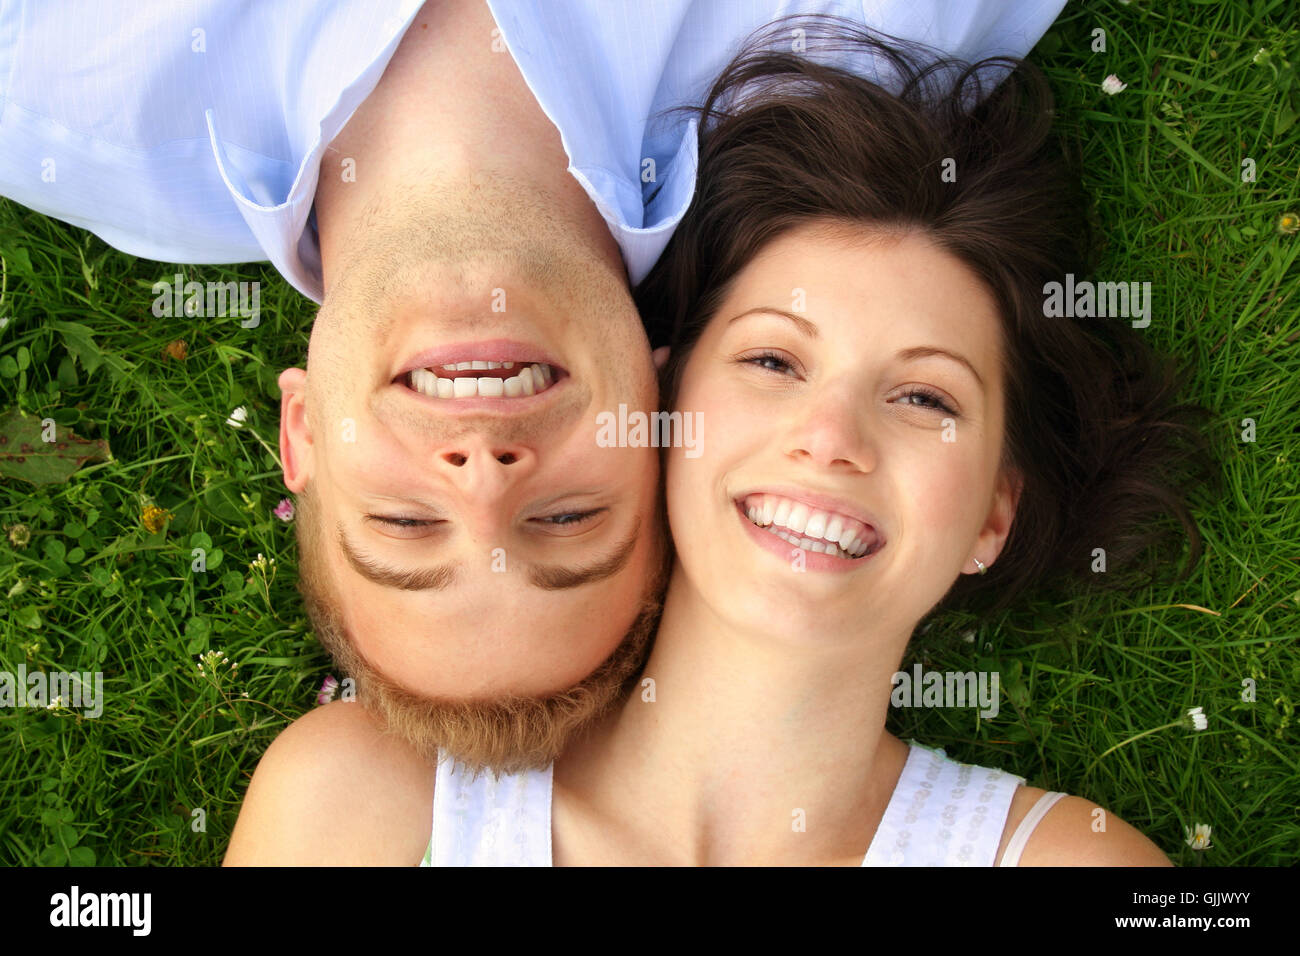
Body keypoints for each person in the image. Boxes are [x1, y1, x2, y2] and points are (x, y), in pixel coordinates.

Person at [224, 23, 1218, 865]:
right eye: (774, 363)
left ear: (992, 515)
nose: (828, 439)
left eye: (923, 395)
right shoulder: (361, 809)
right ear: (665, 416)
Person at [0, 1, 1066, 773]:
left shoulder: (58, 98)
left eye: (406, 522)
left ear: (301, 432)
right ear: (662, 419)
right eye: (566, 515)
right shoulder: (850, 38)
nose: (482, 472)